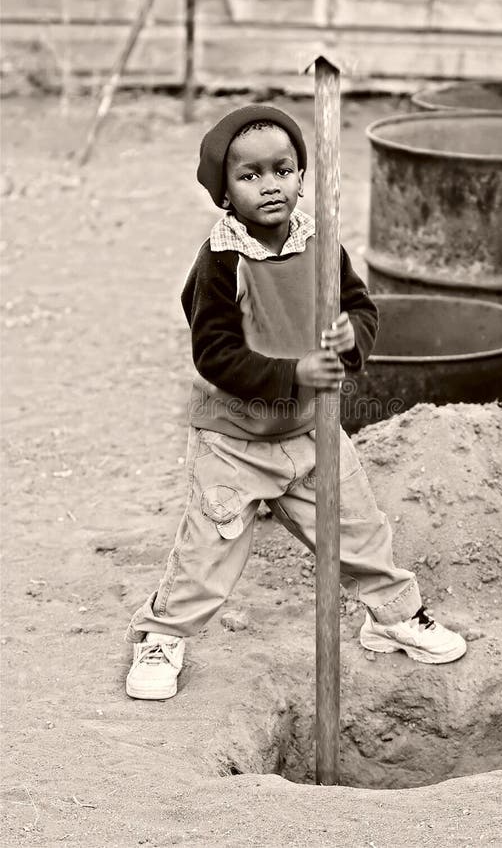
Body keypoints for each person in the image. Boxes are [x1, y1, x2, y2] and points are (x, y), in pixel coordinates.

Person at [125, 104, 466, 700]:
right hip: (235, 442)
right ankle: (163, 634)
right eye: (250, 176)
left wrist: (349, 337)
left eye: (282, 169)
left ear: (301, 176)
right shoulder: (221, 260)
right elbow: (215, 353)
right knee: (212, 544)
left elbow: (361, 307)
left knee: (357, 529)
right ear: (225, 194)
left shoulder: (322, 245)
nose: (271, 185)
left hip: (313, 430)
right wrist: (293, 371)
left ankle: (392, 618)